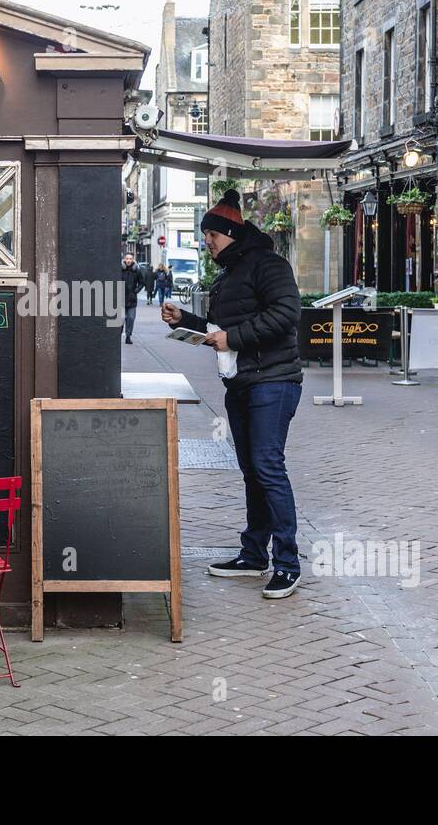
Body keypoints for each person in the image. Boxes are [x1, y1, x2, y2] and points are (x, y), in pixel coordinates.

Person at [161, 188, 304, 599]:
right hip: (242, 382)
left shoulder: (268, 265)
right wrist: (185, 320)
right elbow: (225, 325)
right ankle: (254, 555)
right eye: (205, 235)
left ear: (232, 233)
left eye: (212, 235)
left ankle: (288, 565)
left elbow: (286, 314)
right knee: (253, 471)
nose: (207, 242)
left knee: (268, 467)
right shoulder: (230, 271)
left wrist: (232, 337)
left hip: (273, 382)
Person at [121, 253, 143, 344]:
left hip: (132, 299)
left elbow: (142, 282)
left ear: (133, 260)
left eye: (130, 258)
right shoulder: (119, 269)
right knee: (121, 318)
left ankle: (128, 336)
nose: (128, 260)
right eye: (127, 258)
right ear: (124, 259)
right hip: (120, 298)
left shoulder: (137, 270)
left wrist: (136, 291)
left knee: (130, 318)